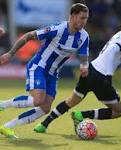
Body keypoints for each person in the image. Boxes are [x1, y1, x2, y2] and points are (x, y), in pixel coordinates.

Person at [34, 13, 121, 133]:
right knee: (118, 111)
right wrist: (108, 75)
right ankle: (81, 115)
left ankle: (44, 124)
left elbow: (116, 54)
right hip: (101, 77)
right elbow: (112, 51)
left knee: (71, 101)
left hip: (90, 70)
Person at [0, 3, 89, 138]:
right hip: (39, 66)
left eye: (86, 18)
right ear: (73, 16)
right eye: (82, 18)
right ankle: (2, 105)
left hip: (53, 74)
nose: (84, 21)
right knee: (38, 100)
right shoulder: (58, 29)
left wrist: (84, 66)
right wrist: (10, 54)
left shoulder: (84, 37)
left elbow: (83, 57)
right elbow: (28, 36)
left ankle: (7, 127)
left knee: (45, 108)